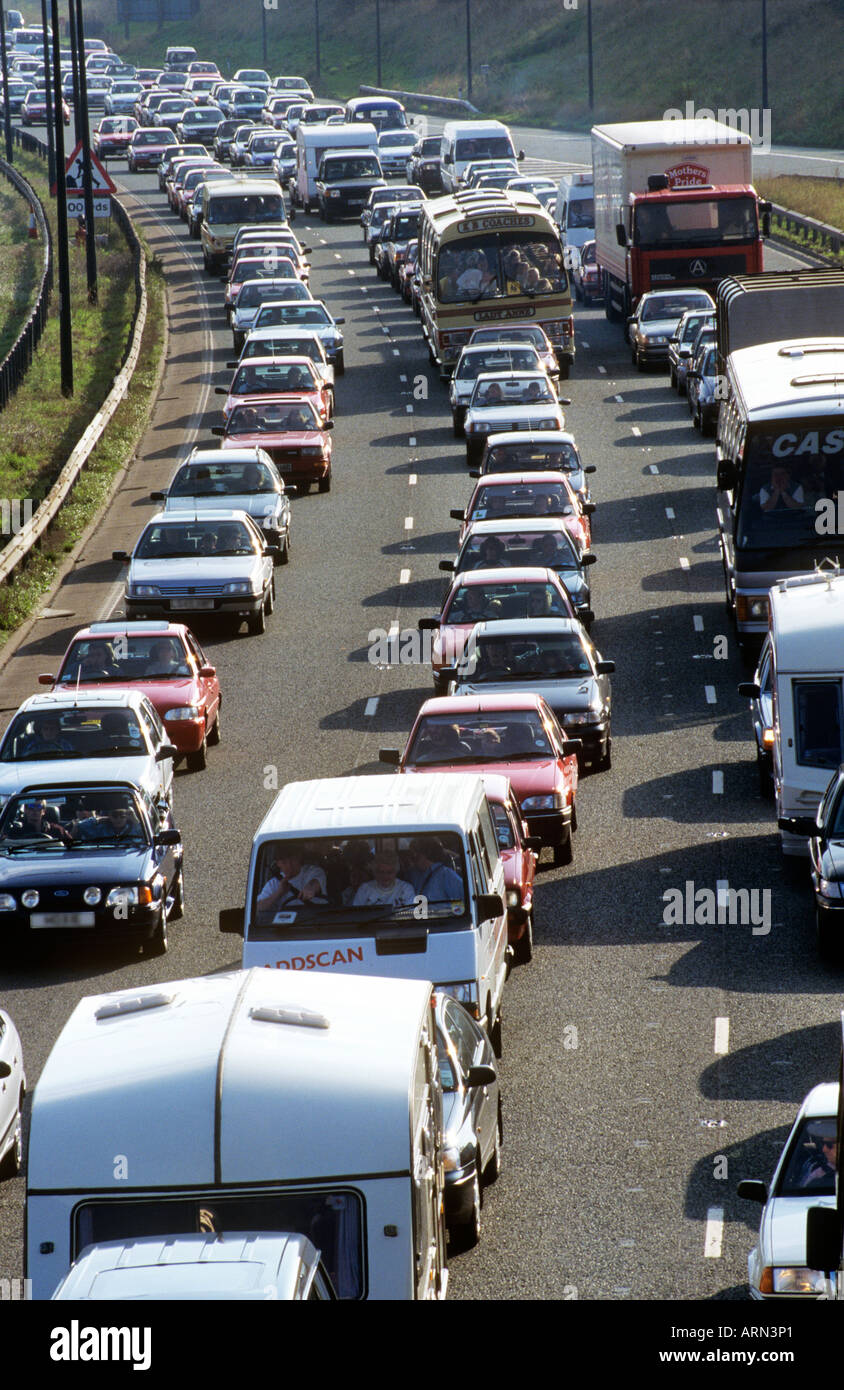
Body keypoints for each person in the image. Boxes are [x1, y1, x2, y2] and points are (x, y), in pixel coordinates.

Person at [257, 845, 328, 914]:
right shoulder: (274, 883)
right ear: (278, 864)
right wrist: (279, 893)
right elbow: (257, 907)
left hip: (316, 920)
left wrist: (310, 888)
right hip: (288, 924)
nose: (289, 866)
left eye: (292, 860)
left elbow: (315, 882)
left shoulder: (313, 871)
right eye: (284, 862)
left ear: (299, 858)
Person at [405, 839, 464, 904]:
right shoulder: (414, 874)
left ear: (426, 854)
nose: (412, 857)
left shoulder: (446, 875)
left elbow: (464, 898)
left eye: (415, 854)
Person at [4, 798, 72, 845]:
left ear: (43, 811)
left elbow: (72, 846)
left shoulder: (57, 830)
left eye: (38, 807)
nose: (35, 811)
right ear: (25, 810)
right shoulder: (16, 832)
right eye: (31, 806)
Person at [75, 803, 141, 842]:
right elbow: (81, 826)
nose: (118, 819)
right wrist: (98, 819)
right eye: (115, 816)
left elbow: (145, 837)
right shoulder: (101, 829)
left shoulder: (134, 829)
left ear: (127, 816)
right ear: (109, 816)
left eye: (122, 816)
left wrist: (135, 820)